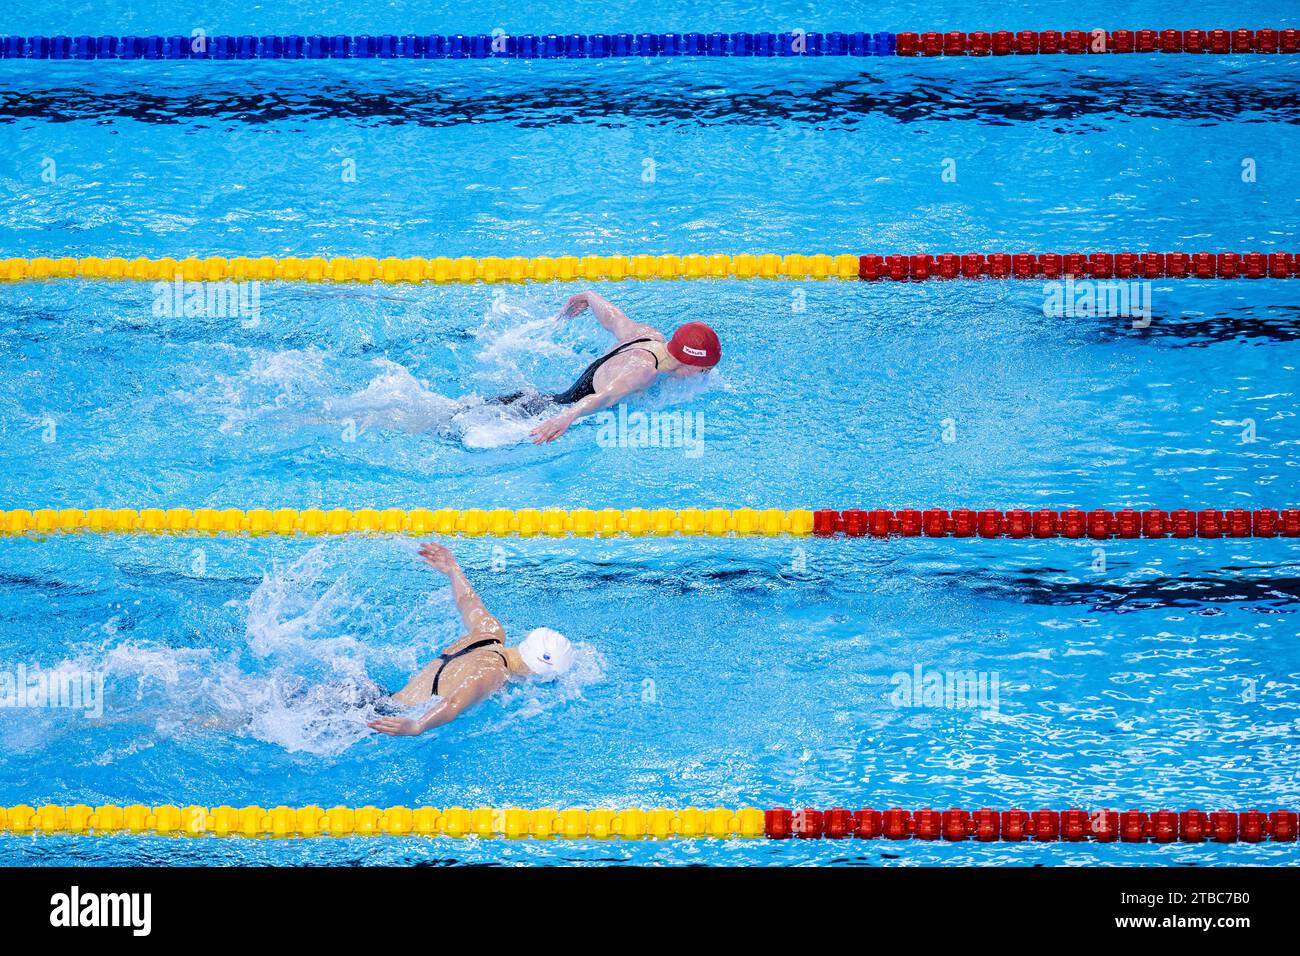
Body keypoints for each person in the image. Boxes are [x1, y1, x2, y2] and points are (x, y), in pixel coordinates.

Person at [367, 543, 575, 737]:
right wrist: (417, 725)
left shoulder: (490, 633)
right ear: (538, 670)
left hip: (377, 696)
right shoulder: (493, 672)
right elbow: (455, 702)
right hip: (385, 716)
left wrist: (453, 570)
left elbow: (468, 602)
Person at [493, 291, 721, 444]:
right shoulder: (644, 371)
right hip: (540, 413)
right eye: (704, 370)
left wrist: (589, 296)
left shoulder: (648, 336)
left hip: (538, 400)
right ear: (689, 362)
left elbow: (613, 319)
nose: (703, 375)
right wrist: (567, 418)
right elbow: (605, 398)